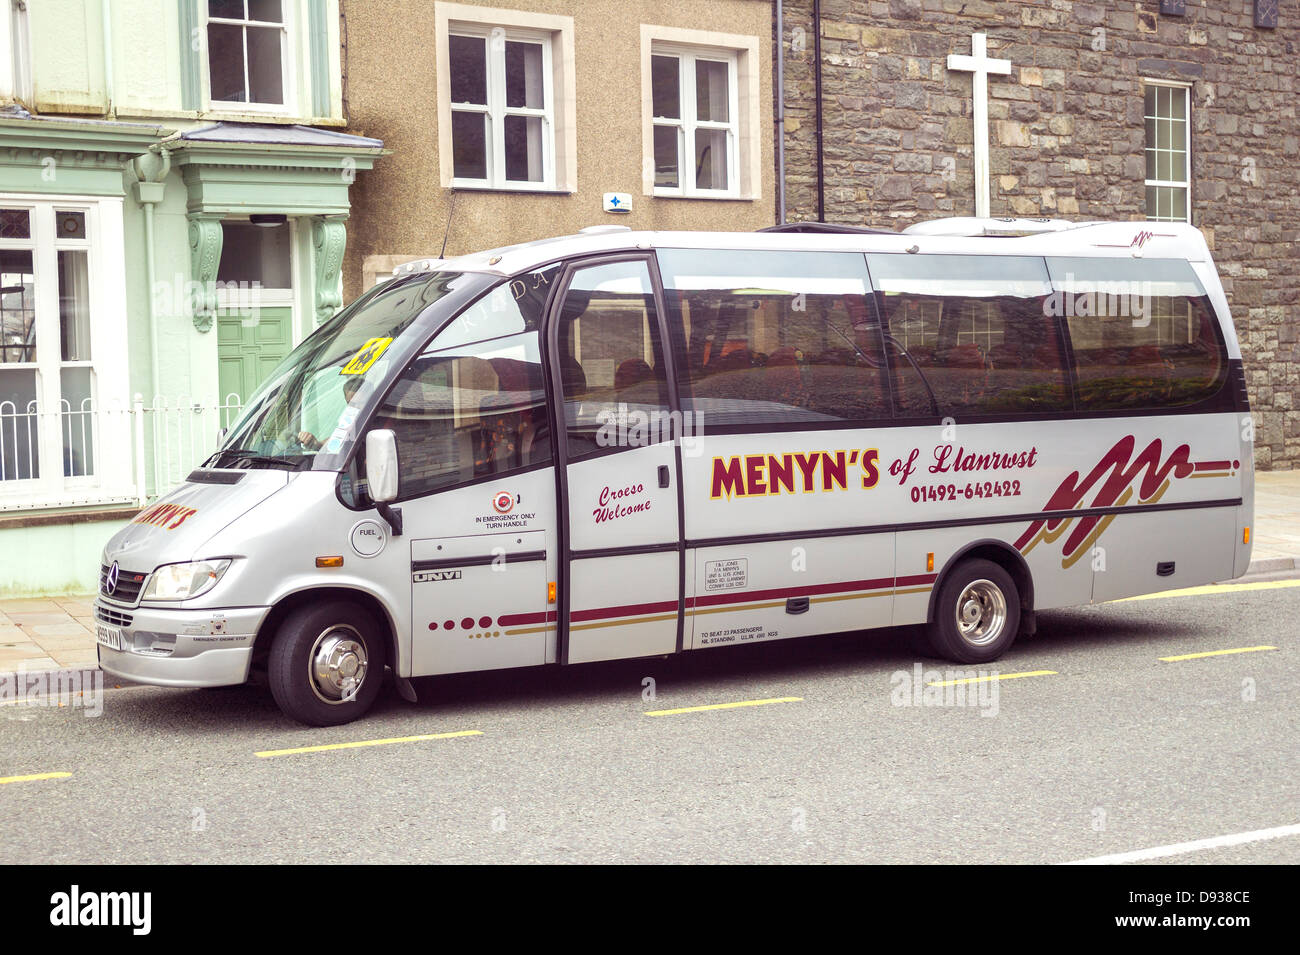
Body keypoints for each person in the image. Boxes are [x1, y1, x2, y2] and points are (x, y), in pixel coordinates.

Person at [297, 375, 364, 450]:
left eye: (360, 403)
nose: (355, 407)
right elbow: (334, 442)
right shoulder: (350, 421)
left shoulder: (373, 419)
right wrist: (314, 443)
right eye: (351, 404)